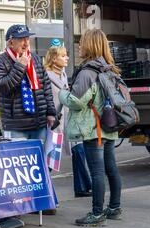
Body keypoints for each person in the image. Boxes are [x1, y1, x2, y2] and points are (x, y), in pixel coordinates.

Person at [59, 29, 123, 226]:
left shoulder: (87, 72)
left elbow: (76, 101)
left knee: (96, 171)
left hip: (92, 128)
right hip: (109, 126)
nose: (79, 46)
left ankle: (96, 213)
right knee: (111, 168)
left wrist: (62, 94)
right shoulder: (110, 69)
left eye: (82, 42)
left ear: (90, 45)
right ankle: (114, 207)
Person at [0, 24, 57, 215]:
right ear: (10, 41)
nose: (26, 42)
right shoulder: (1, 62)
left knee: (40, 164)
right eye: (22, 39)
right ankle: (22, 204)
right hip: (17, 123)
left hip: (38, 121)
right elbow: (5, 87)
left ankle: (45, 202)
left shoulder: (36, 59)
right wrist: (20, 65)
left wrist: (51, 112)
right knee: (19, 167)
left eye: (27, 39)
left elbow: (45, 88)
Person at [44, 44, 92, 198]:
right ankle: (42, 191)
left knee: (79, 151)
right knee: (51, 159)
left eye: (66, 55)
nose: (67, 58)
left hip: (69, 122)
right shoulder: (46, 76)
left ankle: (82, 187)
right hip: (55, 125)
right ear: (53, 58)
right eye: (63, 55)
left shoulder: (63, 75)